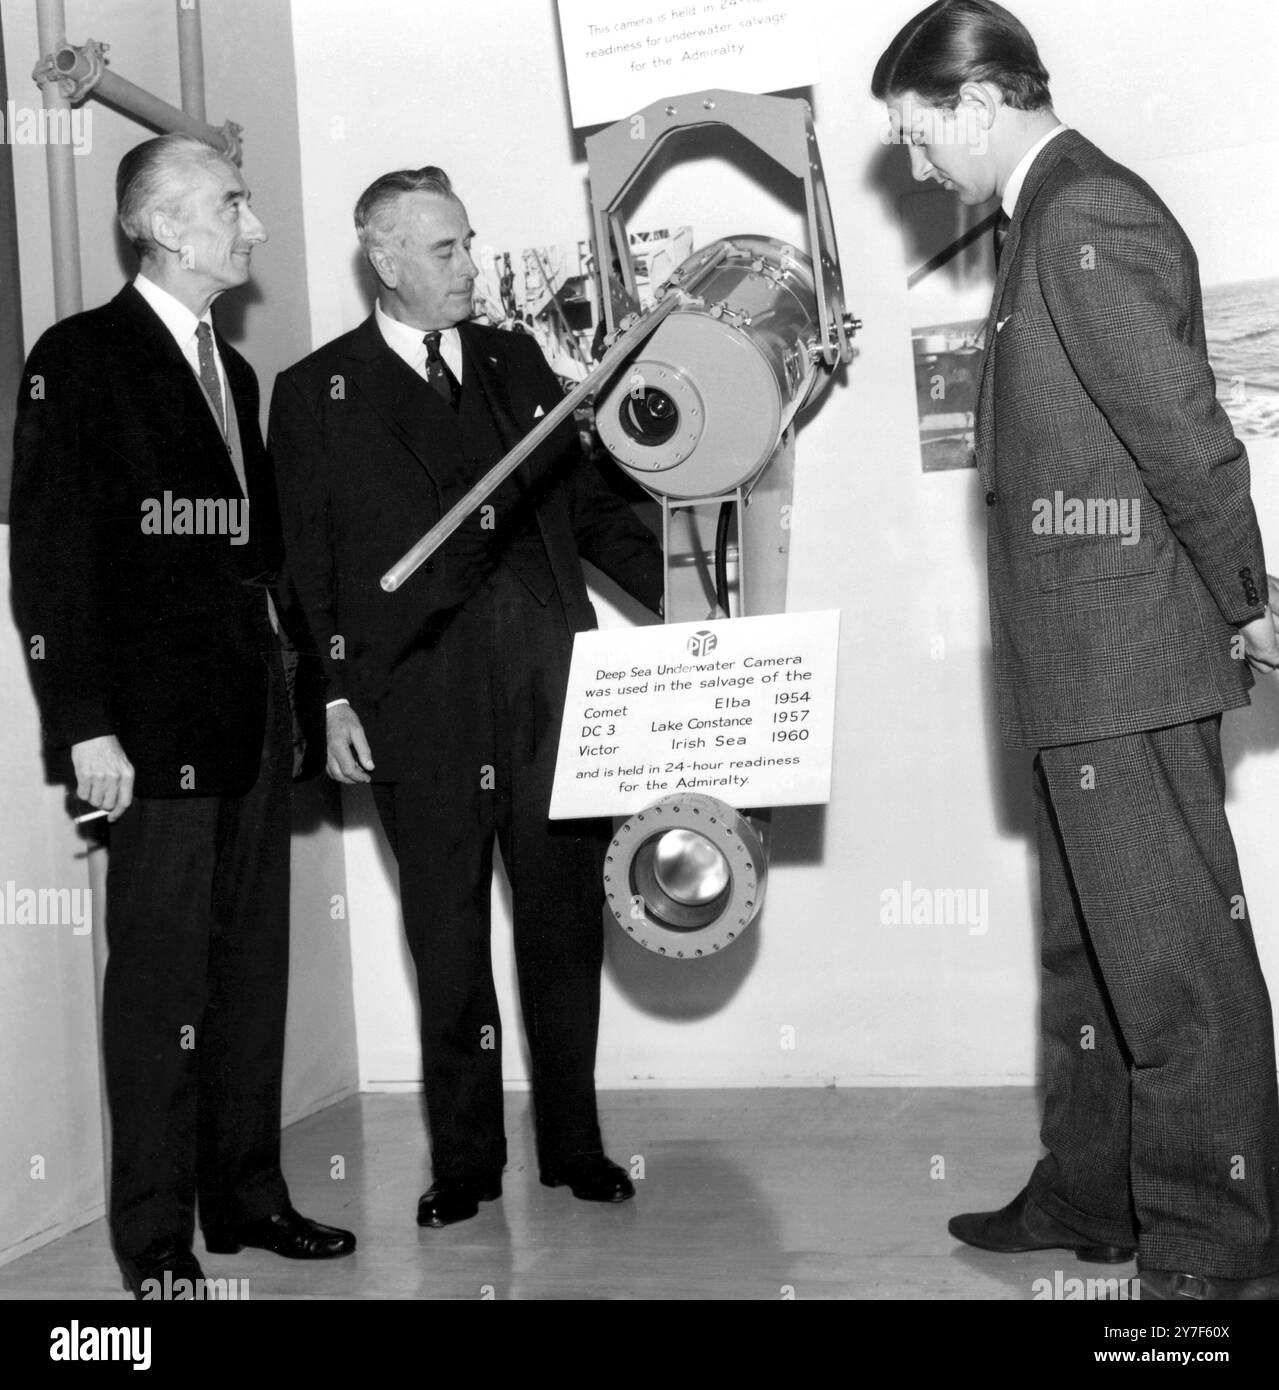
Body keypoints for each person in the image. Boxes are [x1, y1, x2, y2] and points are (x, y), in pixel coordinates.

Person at [873, 1, 1279, 1301]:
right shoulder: (1041, 222)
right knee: (1088, 951)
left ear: (977, 104)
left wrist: (1248, 595)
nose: (917, 168)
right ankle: (1088, 1187)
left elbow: (1181, 432)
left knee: (1173, 978)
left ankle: (1210, 1256)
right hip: (1074, 667)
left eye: (917, 137)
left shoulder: (1082, 218)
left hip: (1121, 664)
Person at [269, 167, 664, 1228]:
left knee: (562, 928)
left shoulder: (515, 358)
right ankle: (466, 1161)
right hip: (418, 708)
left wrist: (690, 592)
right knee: (446, 943)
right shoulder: (317, 393)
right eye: (445, 251)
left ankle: (574, 1145)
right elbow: (306, 568)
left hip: (544, 693)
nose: (468, 267)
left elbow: (583, 502)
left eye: (469, 244)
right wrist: (331, 700)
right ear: (383, 258)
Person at [9, 133, 354, 1297]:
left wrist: (307, 690)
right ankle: (155, 1242)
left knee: (249, 972)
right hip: (150, 737)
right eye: (233, 204)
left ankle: (247, 1199)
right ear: (161, 226)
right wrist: (84, 727)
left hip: (252, 718)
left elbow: (256, 559)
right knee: (161, 991)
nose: (252, 226)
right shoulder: (78, 359)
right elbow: (51, 567)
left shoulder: (234, 371)